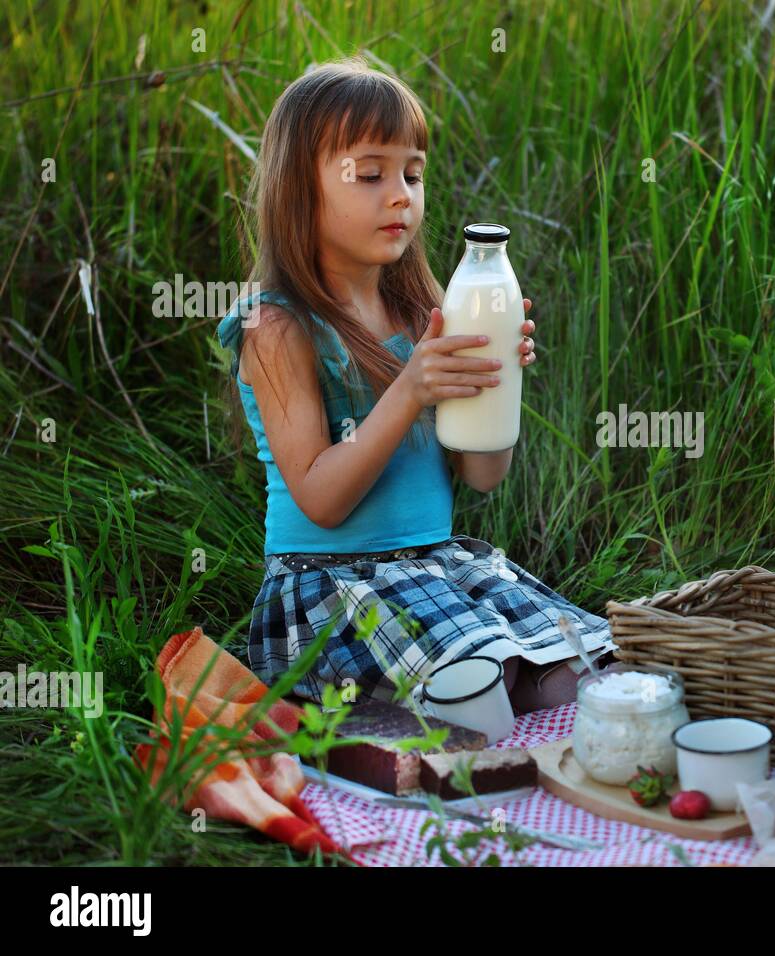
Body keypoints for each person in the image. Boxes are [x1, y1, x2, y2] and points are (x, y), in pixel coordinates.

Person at [215, 57, 613, 713]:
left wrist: (497, 388)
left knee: (587, 676)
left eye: (413, 174)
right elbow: (321, 499)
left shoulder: (422, 310)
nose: (401, 193)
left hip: (440, 569)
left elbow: (481, 475)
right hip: (330, 589)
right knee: (488, 687)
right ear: (299, 189)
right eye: (370, 174)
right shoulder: (278, 327)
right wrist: (410, 390)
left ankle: (554, 781)